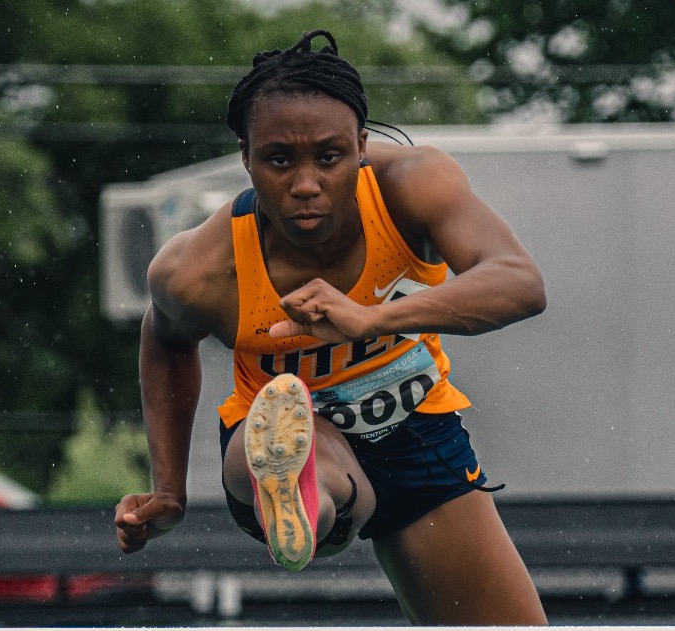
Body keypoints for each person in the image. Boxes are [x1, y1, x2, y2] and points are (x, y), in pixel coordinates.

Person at [115, 29, 548, 625]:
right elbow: (165, 339)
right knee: (300, 440)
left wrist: (372, 319)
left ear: (362, 146)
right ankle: (305, 503)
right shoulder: (198, 270)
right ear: (245, 157)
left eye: (329, 156)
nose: (306, 185)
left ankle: (316, 505)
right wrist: (169, 488)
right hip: (277, 437)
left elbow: (519, 282)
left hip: (418, 432)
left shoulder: (411, 187)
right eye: (278, 160)